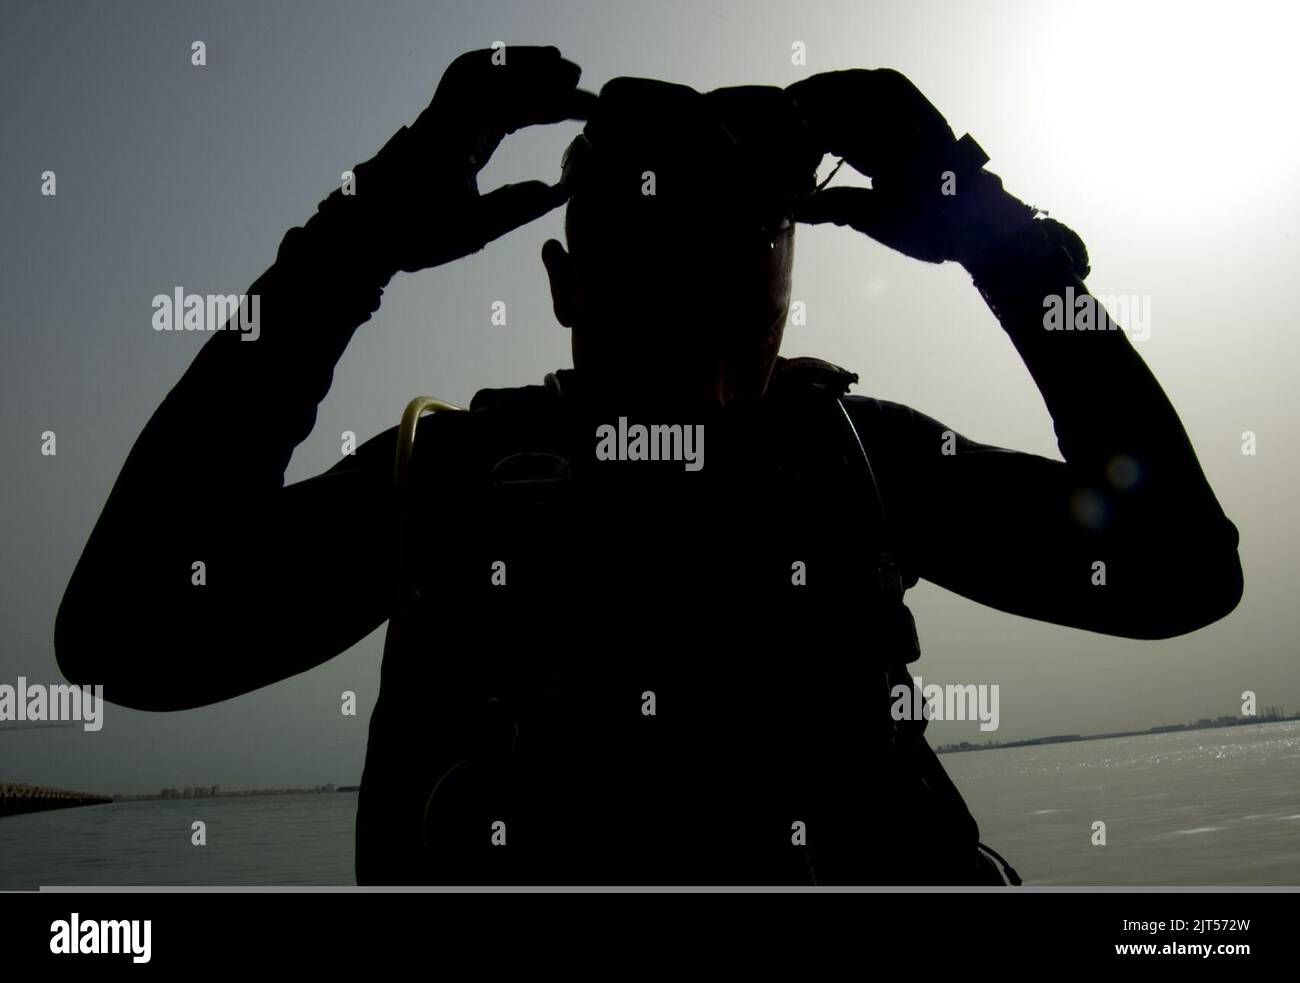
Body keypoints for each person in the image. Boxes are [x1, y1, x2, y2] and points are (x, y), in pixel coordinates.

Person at [55, 47, 1243, 886]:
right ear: (572, 287)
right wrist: (996, 240)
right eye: (657, 262)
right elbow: (130, 634)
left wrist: (356, 240)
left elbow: (1178, 574)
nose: (699, 321)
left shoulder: (846, 458)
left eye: (728, 266)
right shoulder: (842, 462)